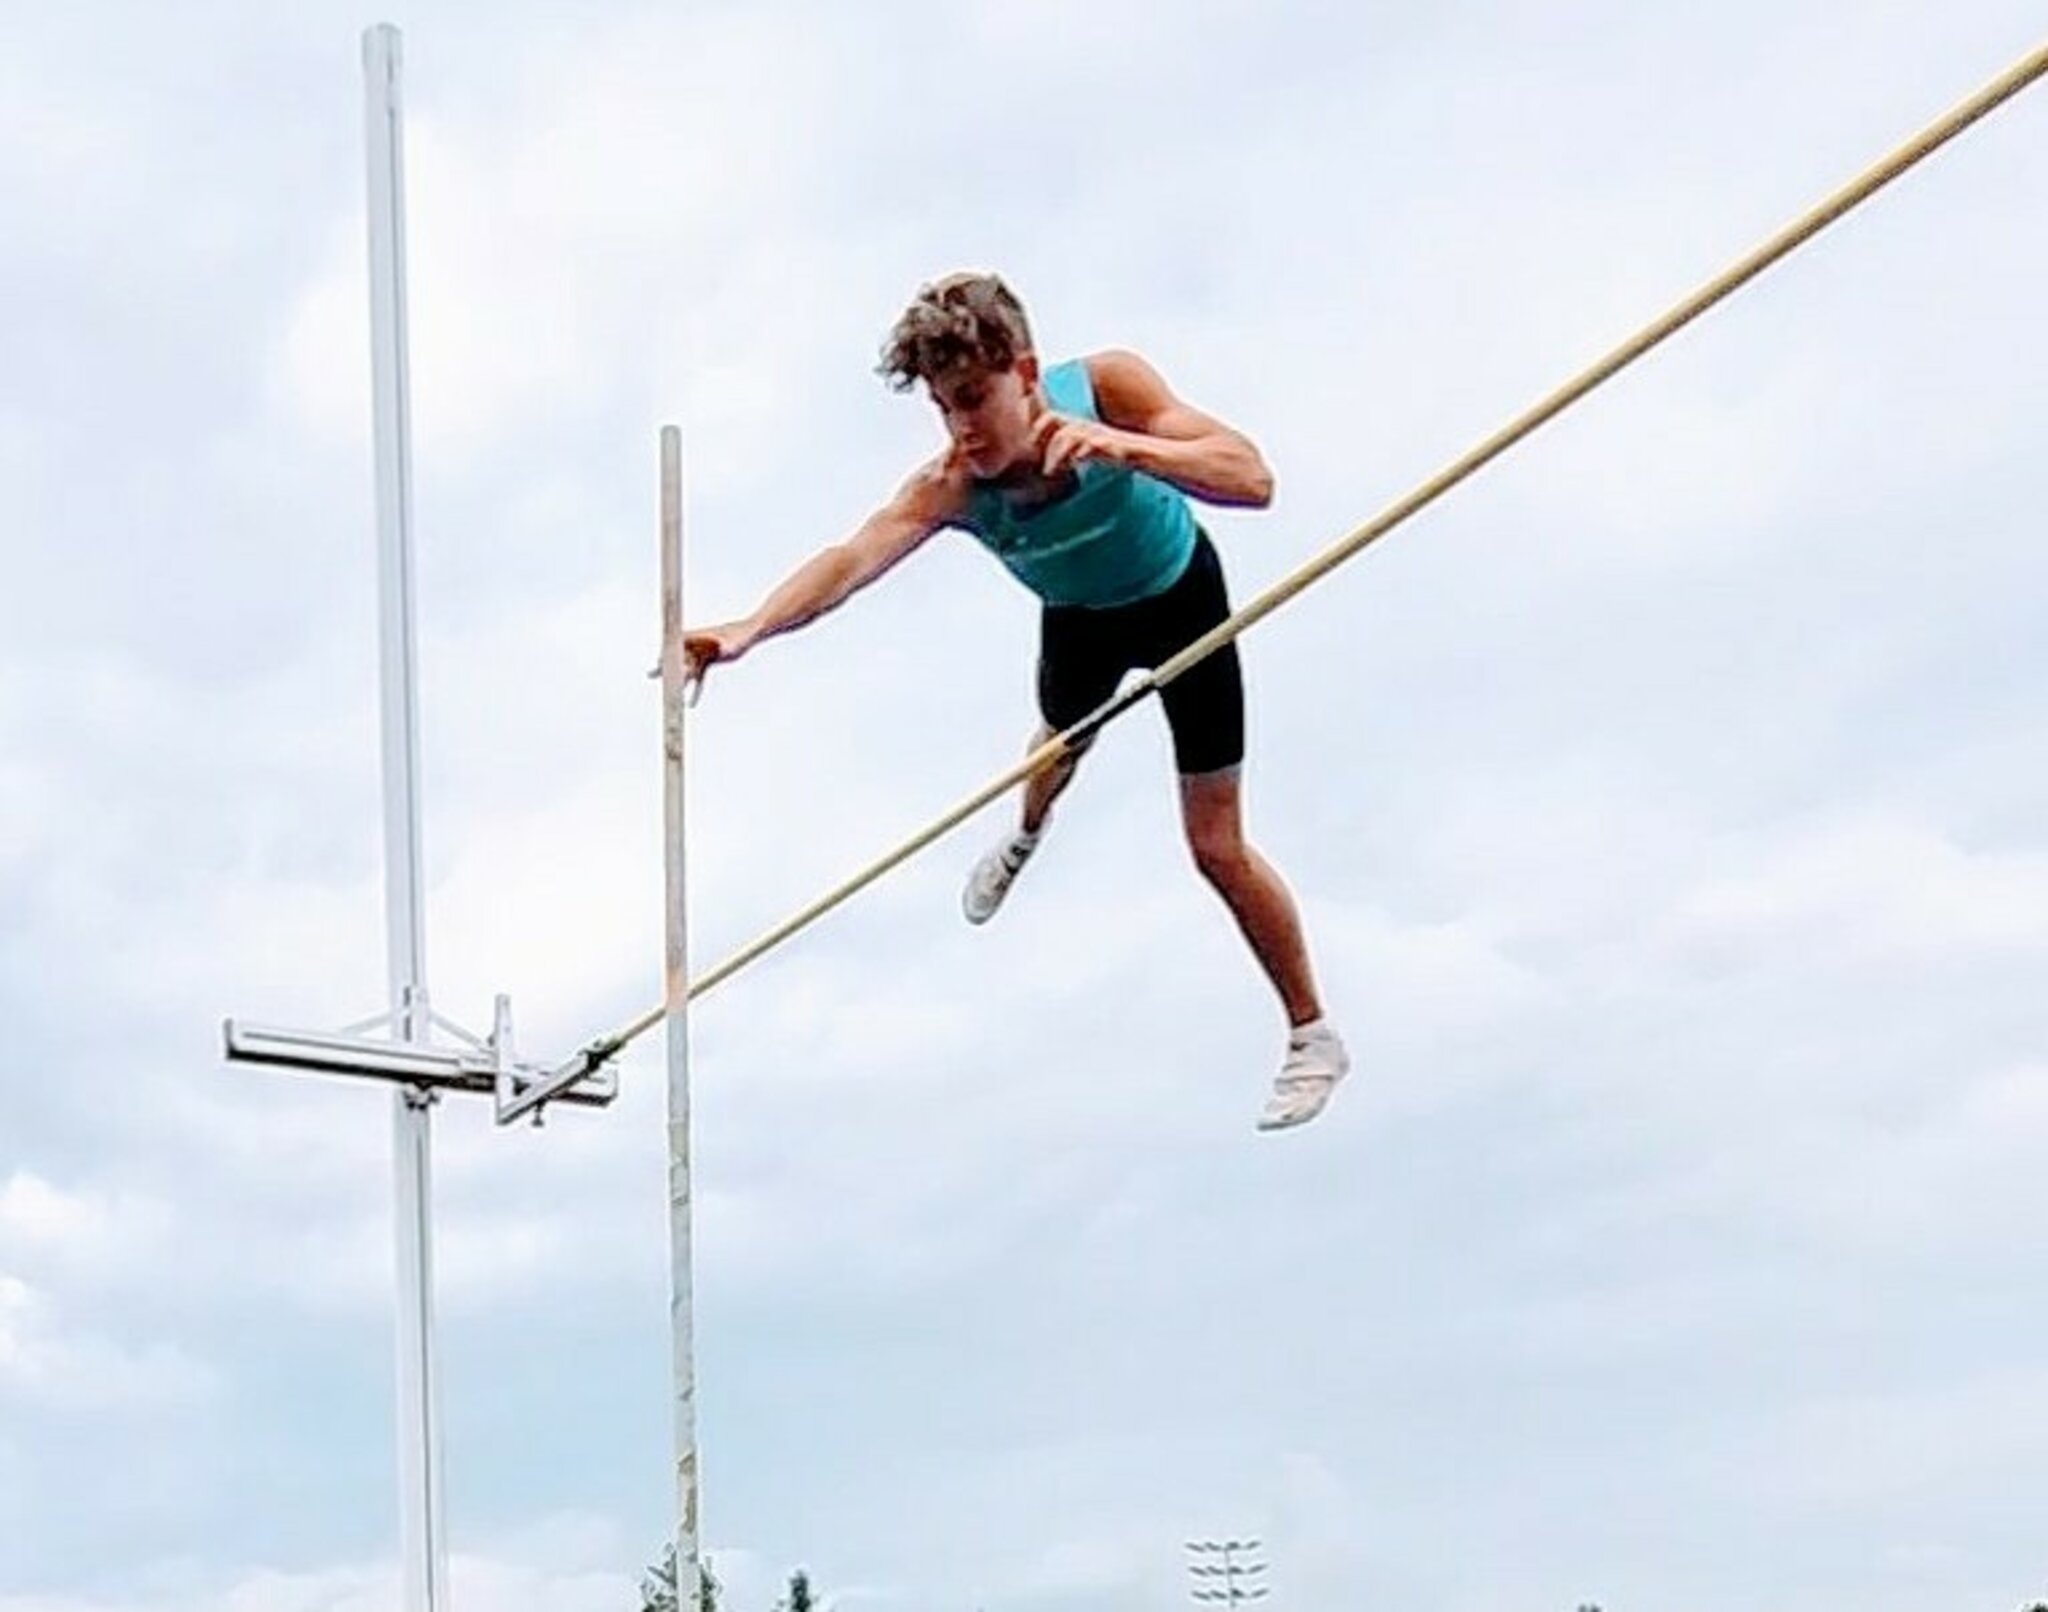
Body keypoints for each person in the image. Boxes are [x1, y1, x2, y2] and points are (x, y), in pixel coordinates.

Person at [682, 272, 1349, 1131]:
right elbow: (851, 560)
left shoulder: (1109, 387)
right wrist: (748, 629)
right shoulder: (951, 486)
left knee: (1215, 845)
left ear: (1025, 374)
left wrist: (1122, 447)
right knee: (1052, 752)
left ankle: (1312, 1035)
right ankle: (1025, 834)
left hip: (1182, 595)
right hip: (1080, 621)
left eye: (973, 399)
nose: (962, 428)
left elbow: (1253, 479)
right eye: (942, 408)